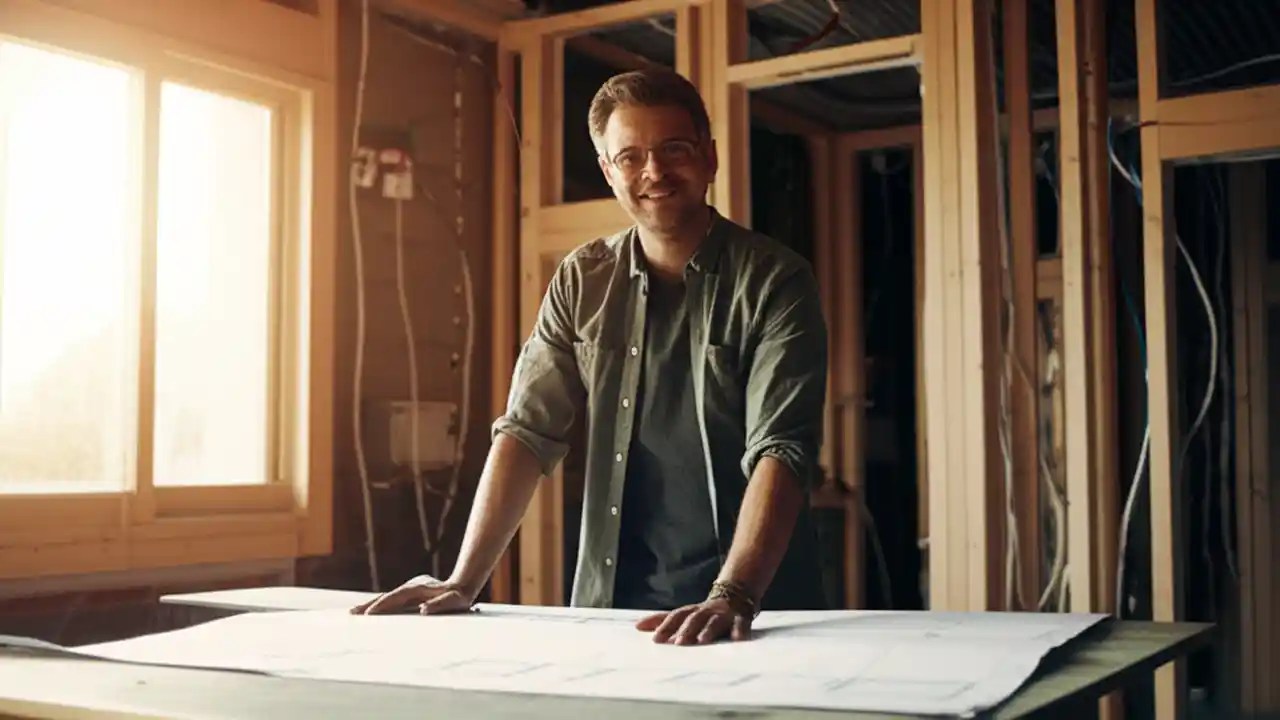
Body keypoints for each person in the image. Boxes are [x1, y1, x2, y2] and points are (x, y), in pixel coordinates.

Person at [353, 67, 829, 646]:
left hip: (753, 613)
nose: (653, 171)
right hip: (612, 613)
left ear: (708, 157)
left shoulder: (777, 281)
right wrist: (464, 580)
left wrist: (734, 594)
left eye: (673, 150)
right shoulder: (581, 279)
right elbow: (526, 431)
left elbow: (782, 447)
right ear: (609, 172)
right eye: (630, 157)